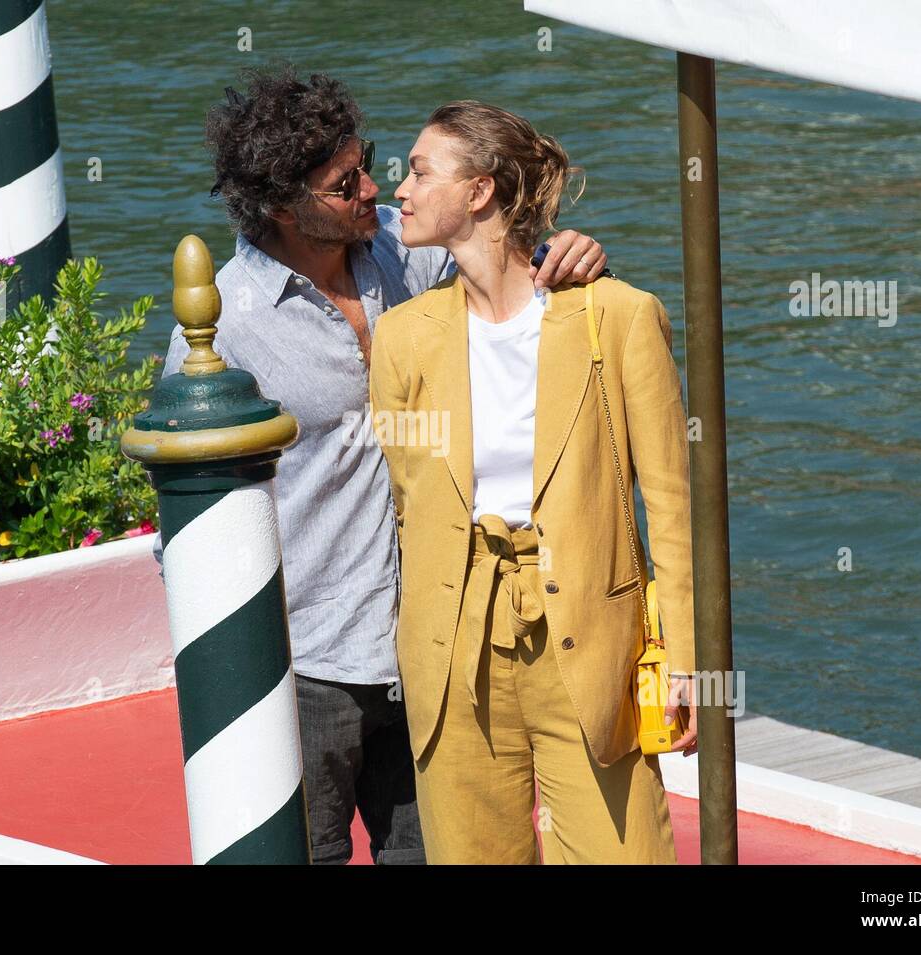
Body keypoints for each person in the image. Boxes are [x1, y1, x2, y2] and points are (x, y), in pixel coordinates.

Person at [155, 66, 609, 865]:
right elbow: (186, 525)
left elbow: (503, 269)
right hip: (309, 669)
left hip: (429, 643)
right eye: (344, 183)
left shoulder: (405, 254)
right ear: (281, 205)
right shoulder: (227, 328)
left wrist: (564, 255)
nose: (373, 189)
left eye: (364, 162)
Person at [368, 100, 699, 864]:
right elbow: (408, 506)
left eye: (420, 171)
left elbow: (675, 511)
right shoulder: (404, 337)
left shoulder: (616, 317)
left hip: (594, 646)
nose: (402, 192)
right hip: (454, 648)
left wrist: (683, 659)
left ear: (480, 190)